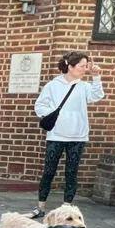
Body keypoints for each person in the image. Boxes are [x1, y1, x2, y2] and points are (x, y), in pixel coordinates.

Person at [30, 52, 105, 219]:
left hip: (78, 136)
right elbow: (39, 105)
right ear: (70, 66)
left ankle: (67, 208)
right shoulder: (52, 85)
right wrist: (54, 115)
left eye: (86, 66)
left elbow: (97, 96)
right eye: (82, 66)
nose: (85, 69)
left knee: (71, 172)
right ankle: (41, 206)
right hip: (56, 135)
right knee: (49, 171)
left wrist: (96, 77)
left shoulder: (84, 86)